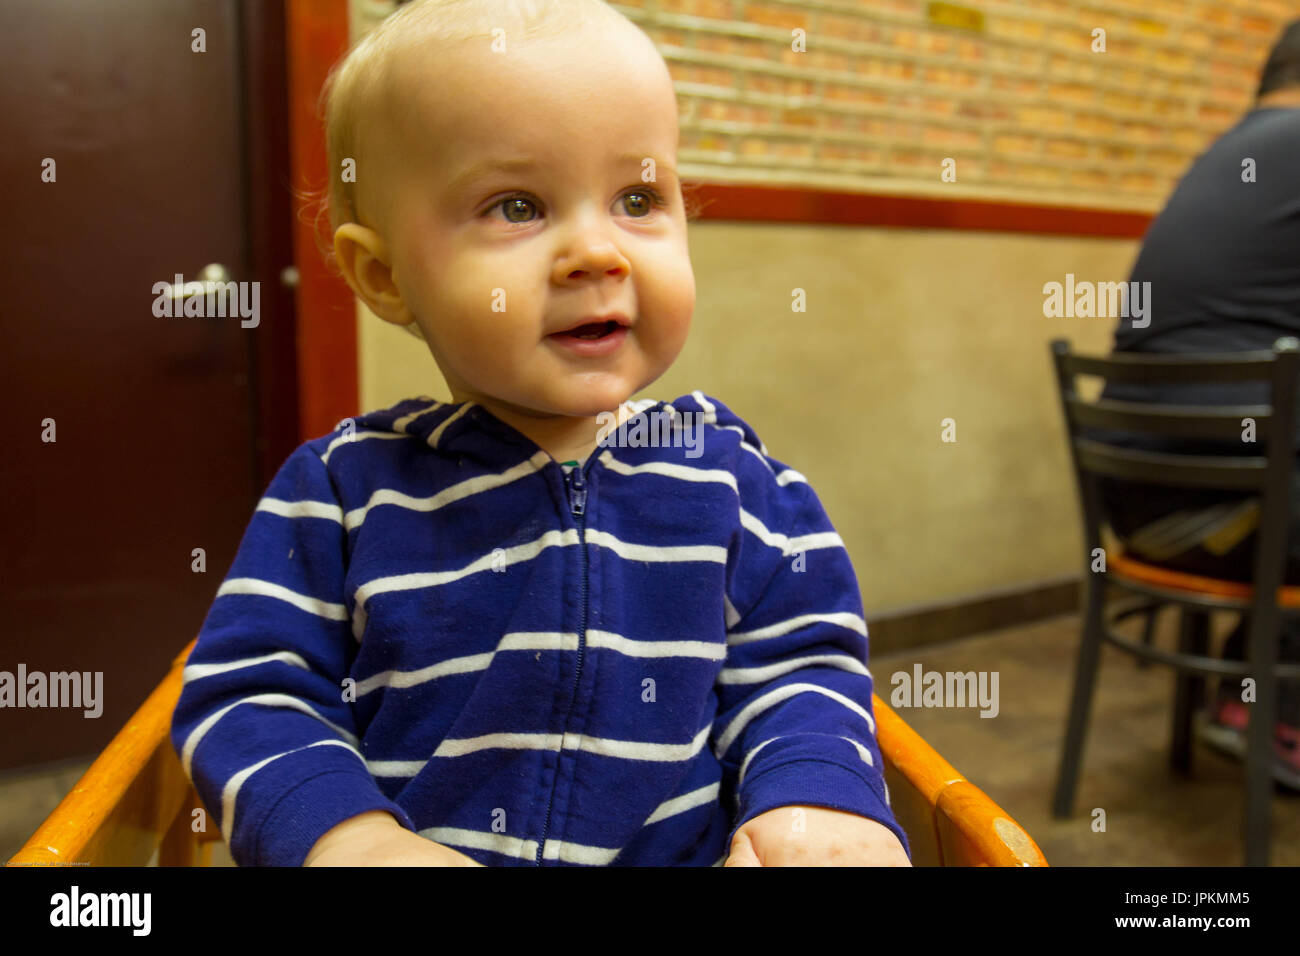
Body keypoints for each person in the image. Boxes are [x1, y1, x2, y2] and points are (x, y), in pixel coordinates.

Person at [169, 0, 910, 867]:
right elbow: (252, 695)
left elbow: (802, 672)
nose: (598, 252)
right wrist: (349, 838)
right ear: (384, 275)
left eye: (638, 198)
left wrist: (817, 798)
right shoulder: (340, 493)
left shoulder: (739, 484)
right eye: (517, 206)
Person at [1097, 20, 1300, 789]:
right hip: (1221, 508)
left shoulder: (1231, 152)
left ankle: (1254, 695)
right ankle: (1273, 708)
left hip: (1140, 494)